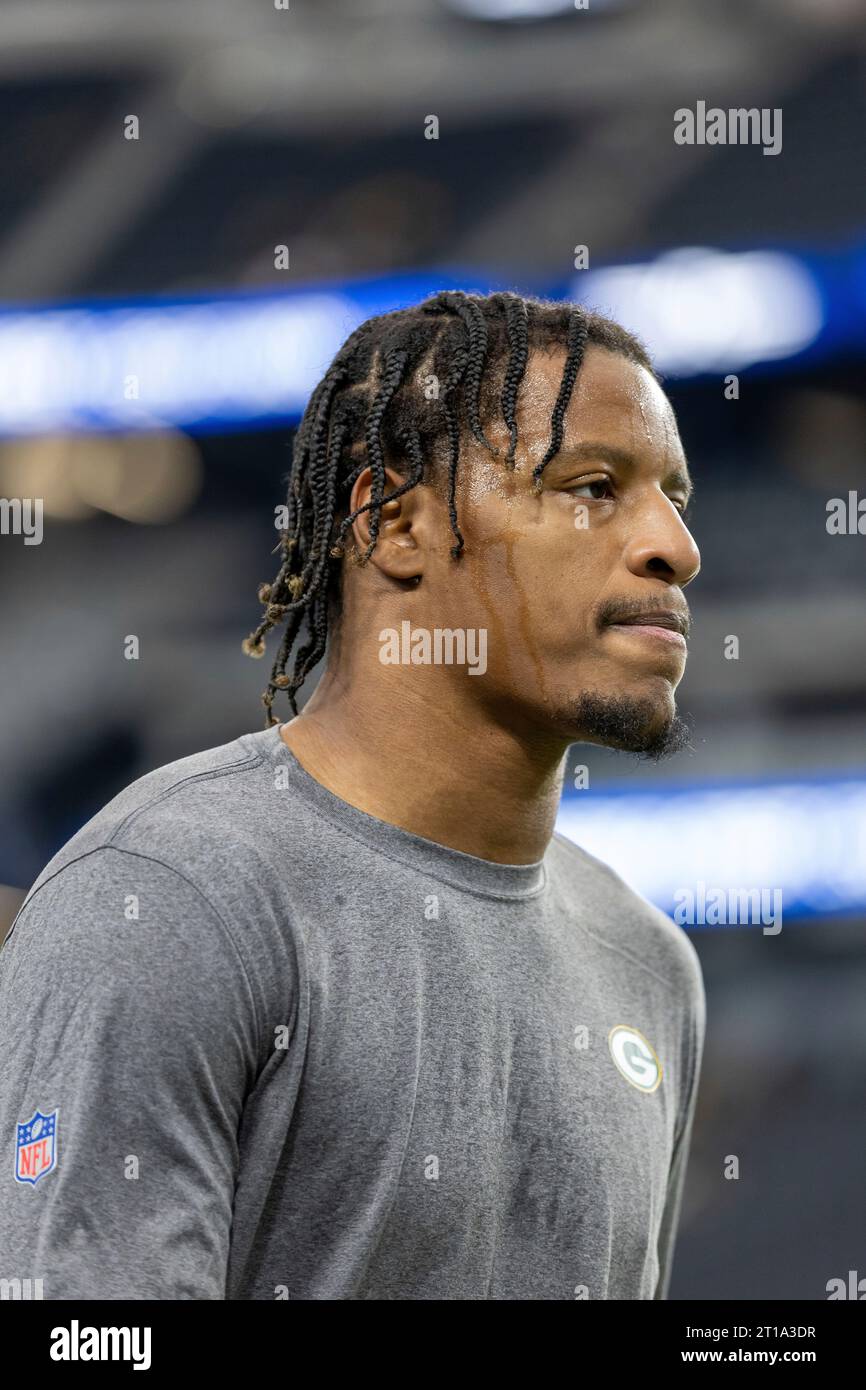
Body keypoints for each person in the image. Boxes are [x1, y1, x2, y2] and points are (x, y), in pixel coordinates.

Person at [0, 289, 705, 1299]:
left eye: (674, 497)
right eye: (593, 486)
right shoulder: (167, 897)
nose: (673, 547)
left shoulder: (646, 962)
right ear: (391, 523)